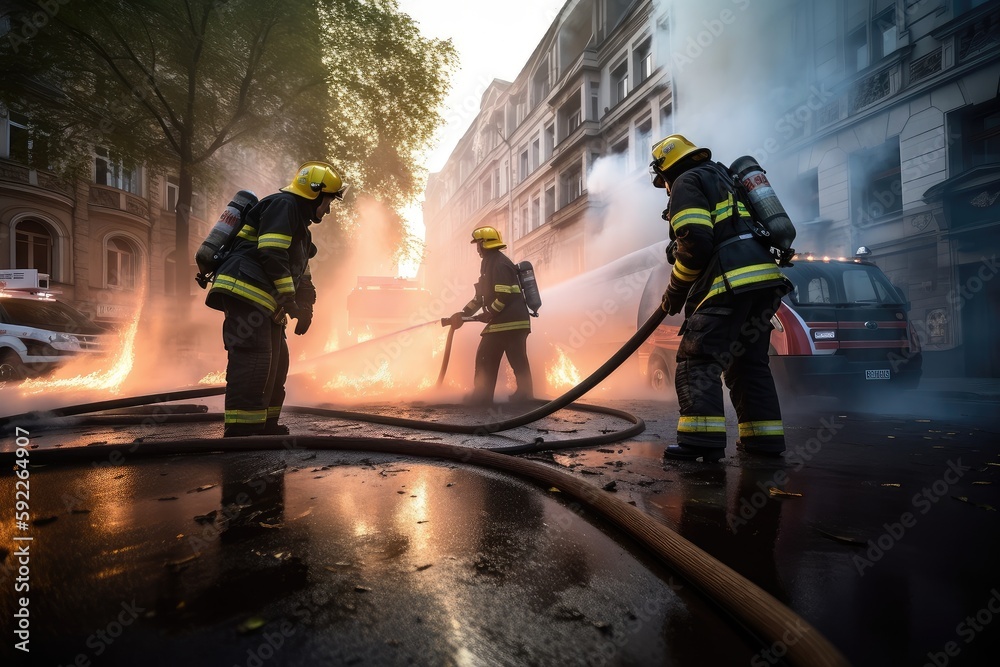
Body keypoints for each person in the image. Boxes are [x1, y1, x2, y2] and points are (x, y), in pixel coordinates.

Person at [648, 135, 791, 462]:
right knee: (748, 364)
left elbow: (696, 241)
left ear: (667, 170)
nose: (666, 189)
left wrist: (674, 292)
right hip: (764, 283)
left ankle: (701, 441)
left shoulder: (686, 181)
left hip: (729, 282)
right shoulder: (725, 178)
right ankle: (763, 442)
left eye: (662, 182)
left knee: (697, 357)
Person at [205, 161, 347, 437]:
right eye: (328, 200)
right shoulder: (284, 206)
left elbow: (302, 276)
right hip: (246, 291)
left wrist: (306, 307)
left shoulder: (302, 232)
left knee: (277, 364)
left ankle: (265, 425)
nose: (329, 208)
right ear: (314, 193)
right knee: (254, 361)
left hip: (267, 304)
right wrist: (289, 299)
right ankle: (242, 432)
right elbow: (271, 252)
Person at [449, 226, 534, 405]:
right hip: (512, 322)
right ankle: (524, 396)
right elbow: (480, 297)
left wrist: (490, 313)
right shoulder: (489, 263)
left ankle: (482, 396)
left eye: (477, 244)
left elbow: (505, 294)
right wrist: (464, 314)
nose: (476, 248)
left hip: (507, 322)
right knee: (517, 359)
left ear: (485, 243)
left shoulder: (499, 263)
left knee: (485, 355)